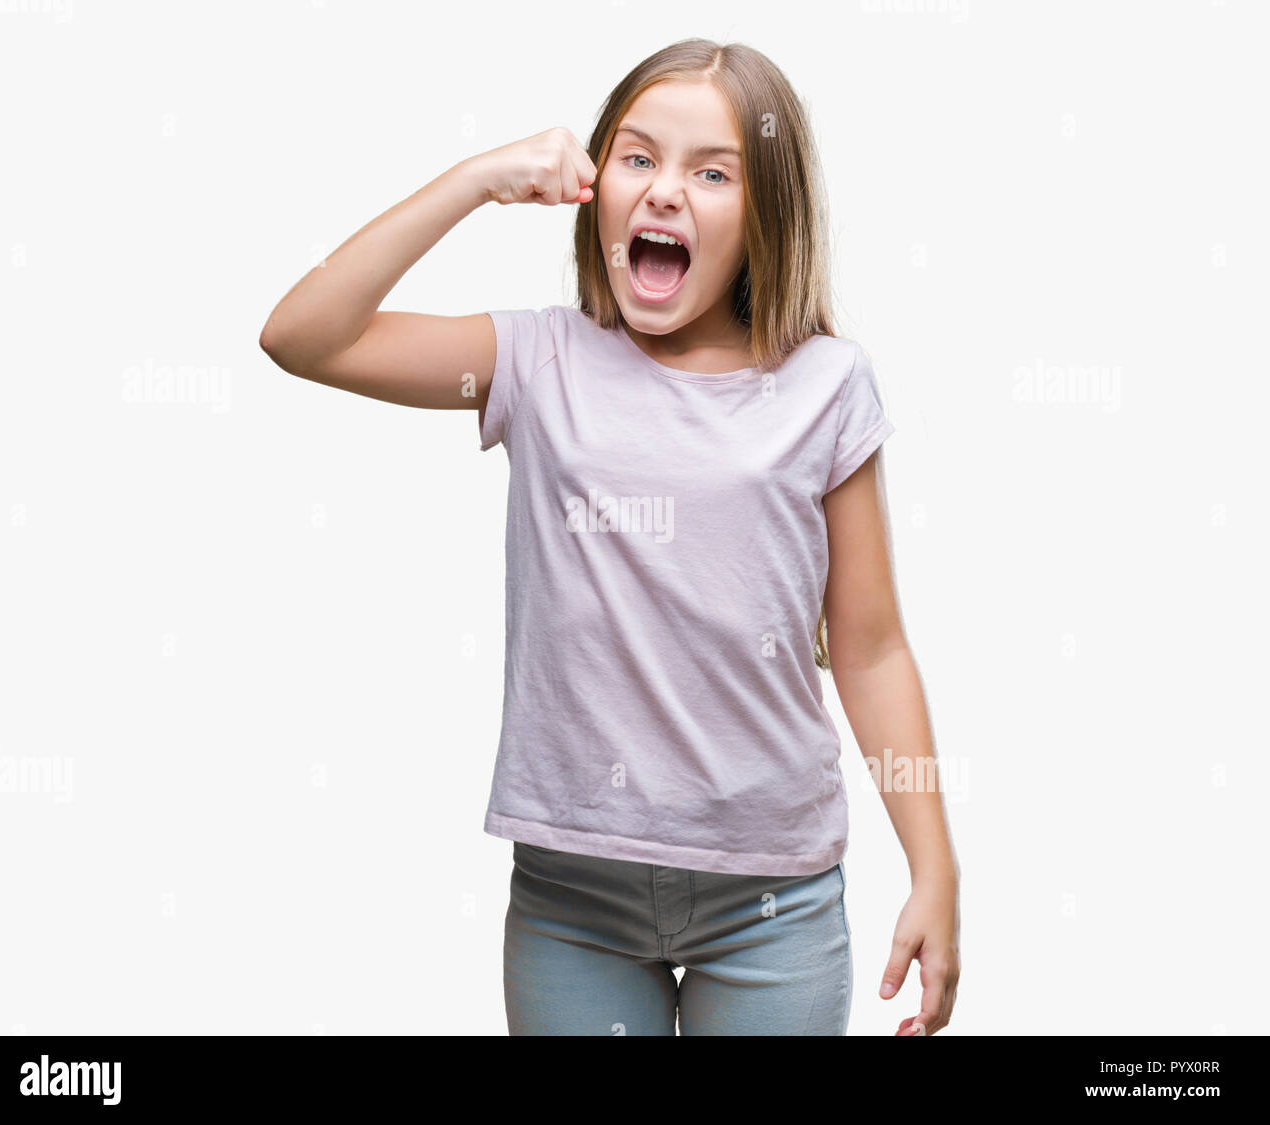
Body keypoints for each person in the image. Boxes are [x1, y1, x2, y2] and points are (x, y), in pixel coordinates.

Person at [260, 37, 960, 1036]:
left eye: (711, 173)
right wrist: (474, 180)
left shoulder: (827, 387)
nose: (665, 191)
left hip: (771, 904)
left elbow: (870, 645)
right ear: (595, 188)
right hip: (571, 904)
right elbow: (303, 336)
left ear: (769, 214)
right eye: (637, 158)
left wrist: (933, 870)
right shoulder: (536, 363)